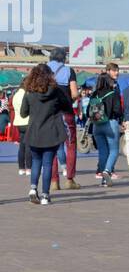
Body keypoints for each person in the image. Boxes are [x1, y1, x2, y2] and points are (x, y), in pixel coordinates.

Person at [20, 64, 72, 206]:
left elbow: (23, 113)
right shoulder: (56, 91)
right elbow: (68, 106)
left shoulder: (29, 92)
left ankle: (32, 189)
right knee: (48, 164)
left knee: (36, 162)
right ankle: (45, 195)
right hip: (51, 132)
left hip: (34, 132)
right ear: (50, 75)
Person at [47, 47, 81, 190]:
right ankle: (70, 179)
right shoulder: (69, 71)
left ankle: (54, 181)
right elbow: (74, 94)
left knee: (52, 147)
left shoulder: (43, 70)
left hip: (49, 113)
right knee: (71, 144)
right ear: (64, 58)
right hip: (66, 112)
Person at [90, 67, 123, 186]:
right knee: (114, 150)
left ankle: (104, 180)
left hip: (97, 125)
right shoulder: (113, 94)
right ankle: (107, 171)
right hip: (110, 123)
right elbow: (118, 111)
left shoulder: (94, 94)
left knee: (103, 152)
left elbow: (87, 112)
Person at [12, 84, 31, 174]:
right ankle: (28, 168)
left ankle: (21, 168)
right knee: (28, 146)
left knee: (22, 146)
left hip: (18, 122)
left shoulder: (15, 95)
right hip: (27, 121)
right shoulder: (26, 94)